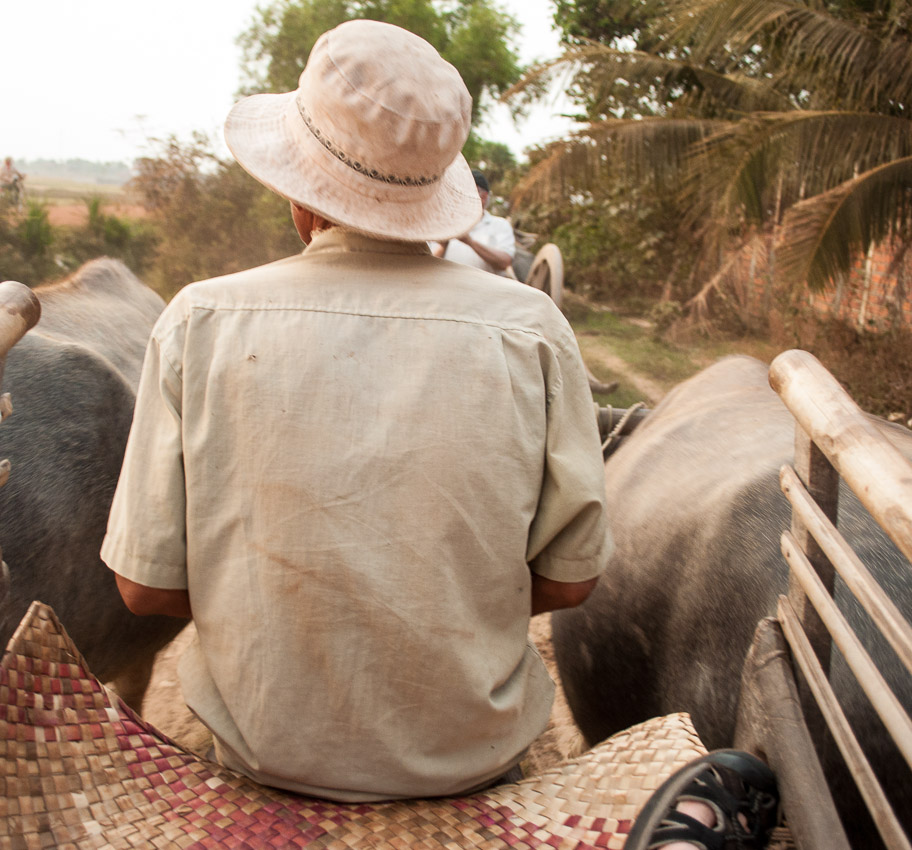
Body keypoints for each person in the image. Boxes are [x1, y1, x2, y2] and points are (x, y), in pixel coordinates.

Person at [100, 20, 778, 850]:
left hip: (253, 757)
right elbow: (568, 584)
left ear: (297, 190)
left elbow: (144, 590)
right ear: (434, 190)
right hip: (472, 767)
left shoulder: (200, 318)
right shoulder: (531, 331)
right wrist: (437, 590)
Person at [432, 168, 516, 275]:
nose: (460, 197)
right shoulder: (445, 224)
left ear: (484, 197)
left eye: (466, 192)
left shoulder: (500, 225)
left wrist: (469, 242)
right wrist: (443, 245)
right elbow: (426, 266)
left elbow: (504, 262)